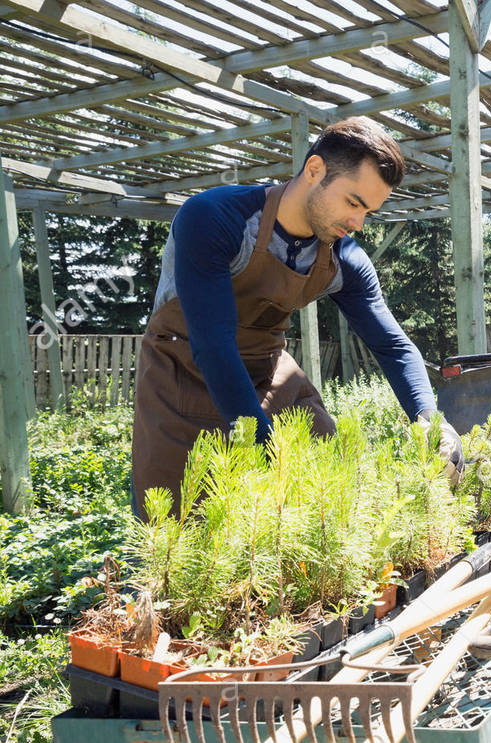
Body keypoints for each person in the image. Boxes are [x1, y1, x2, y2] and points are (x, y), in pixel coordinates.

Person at [131, 116, 461, 516]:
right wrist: (272, 450)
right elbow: (213, 345)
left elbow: (392, 346)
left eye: (368, 212)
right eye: (353, 202)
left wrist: (429, 419)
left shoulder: (345, 260)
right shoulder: (216, 219)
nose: (357, 223)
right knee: (182, 530)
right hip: (182, 376)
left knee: (331, 502)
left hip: (270, 375)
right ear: (314, 169)